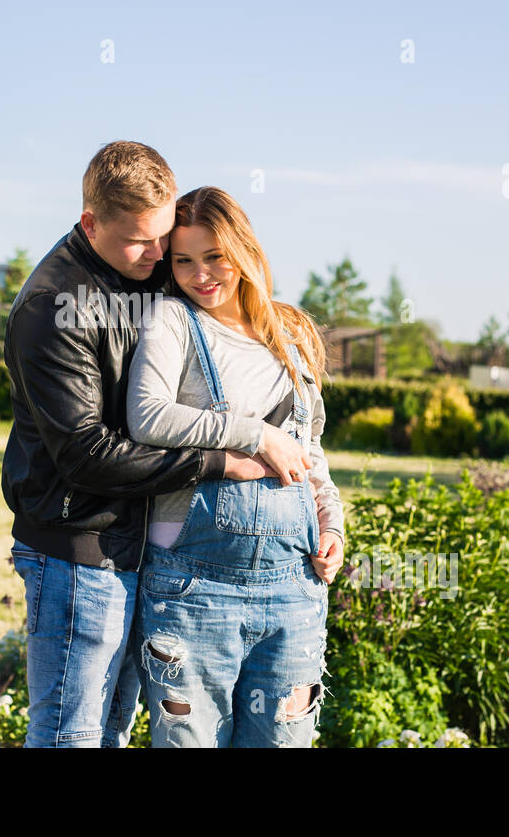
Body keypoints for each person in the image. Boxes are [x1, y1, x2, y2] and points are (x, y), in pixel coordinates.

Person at [1, 141, 334, 748]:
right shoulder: (55, 310)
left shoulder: (151, 273)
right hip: (81, 548)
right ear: (89, 223)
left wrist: (329, 520)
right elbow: (86, 453)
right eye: (143, 243)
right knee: (68, 735)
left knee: (111, 732)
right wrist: (224, 457)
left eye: (164, 241)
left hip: (145, 551)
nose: (159, 258)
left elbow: (302, 438)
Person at [125, 185, 346, 747]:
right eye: (183, 261)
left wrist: (332, 524)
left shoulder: (289, 333)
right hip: (193, 590)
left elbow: (310, 449)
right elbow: (147, 416)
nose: (201, 275)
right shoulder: (172, 320)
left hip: (293, 591)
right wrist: (254, 435)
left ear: (243, 250)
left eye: (214, 256)